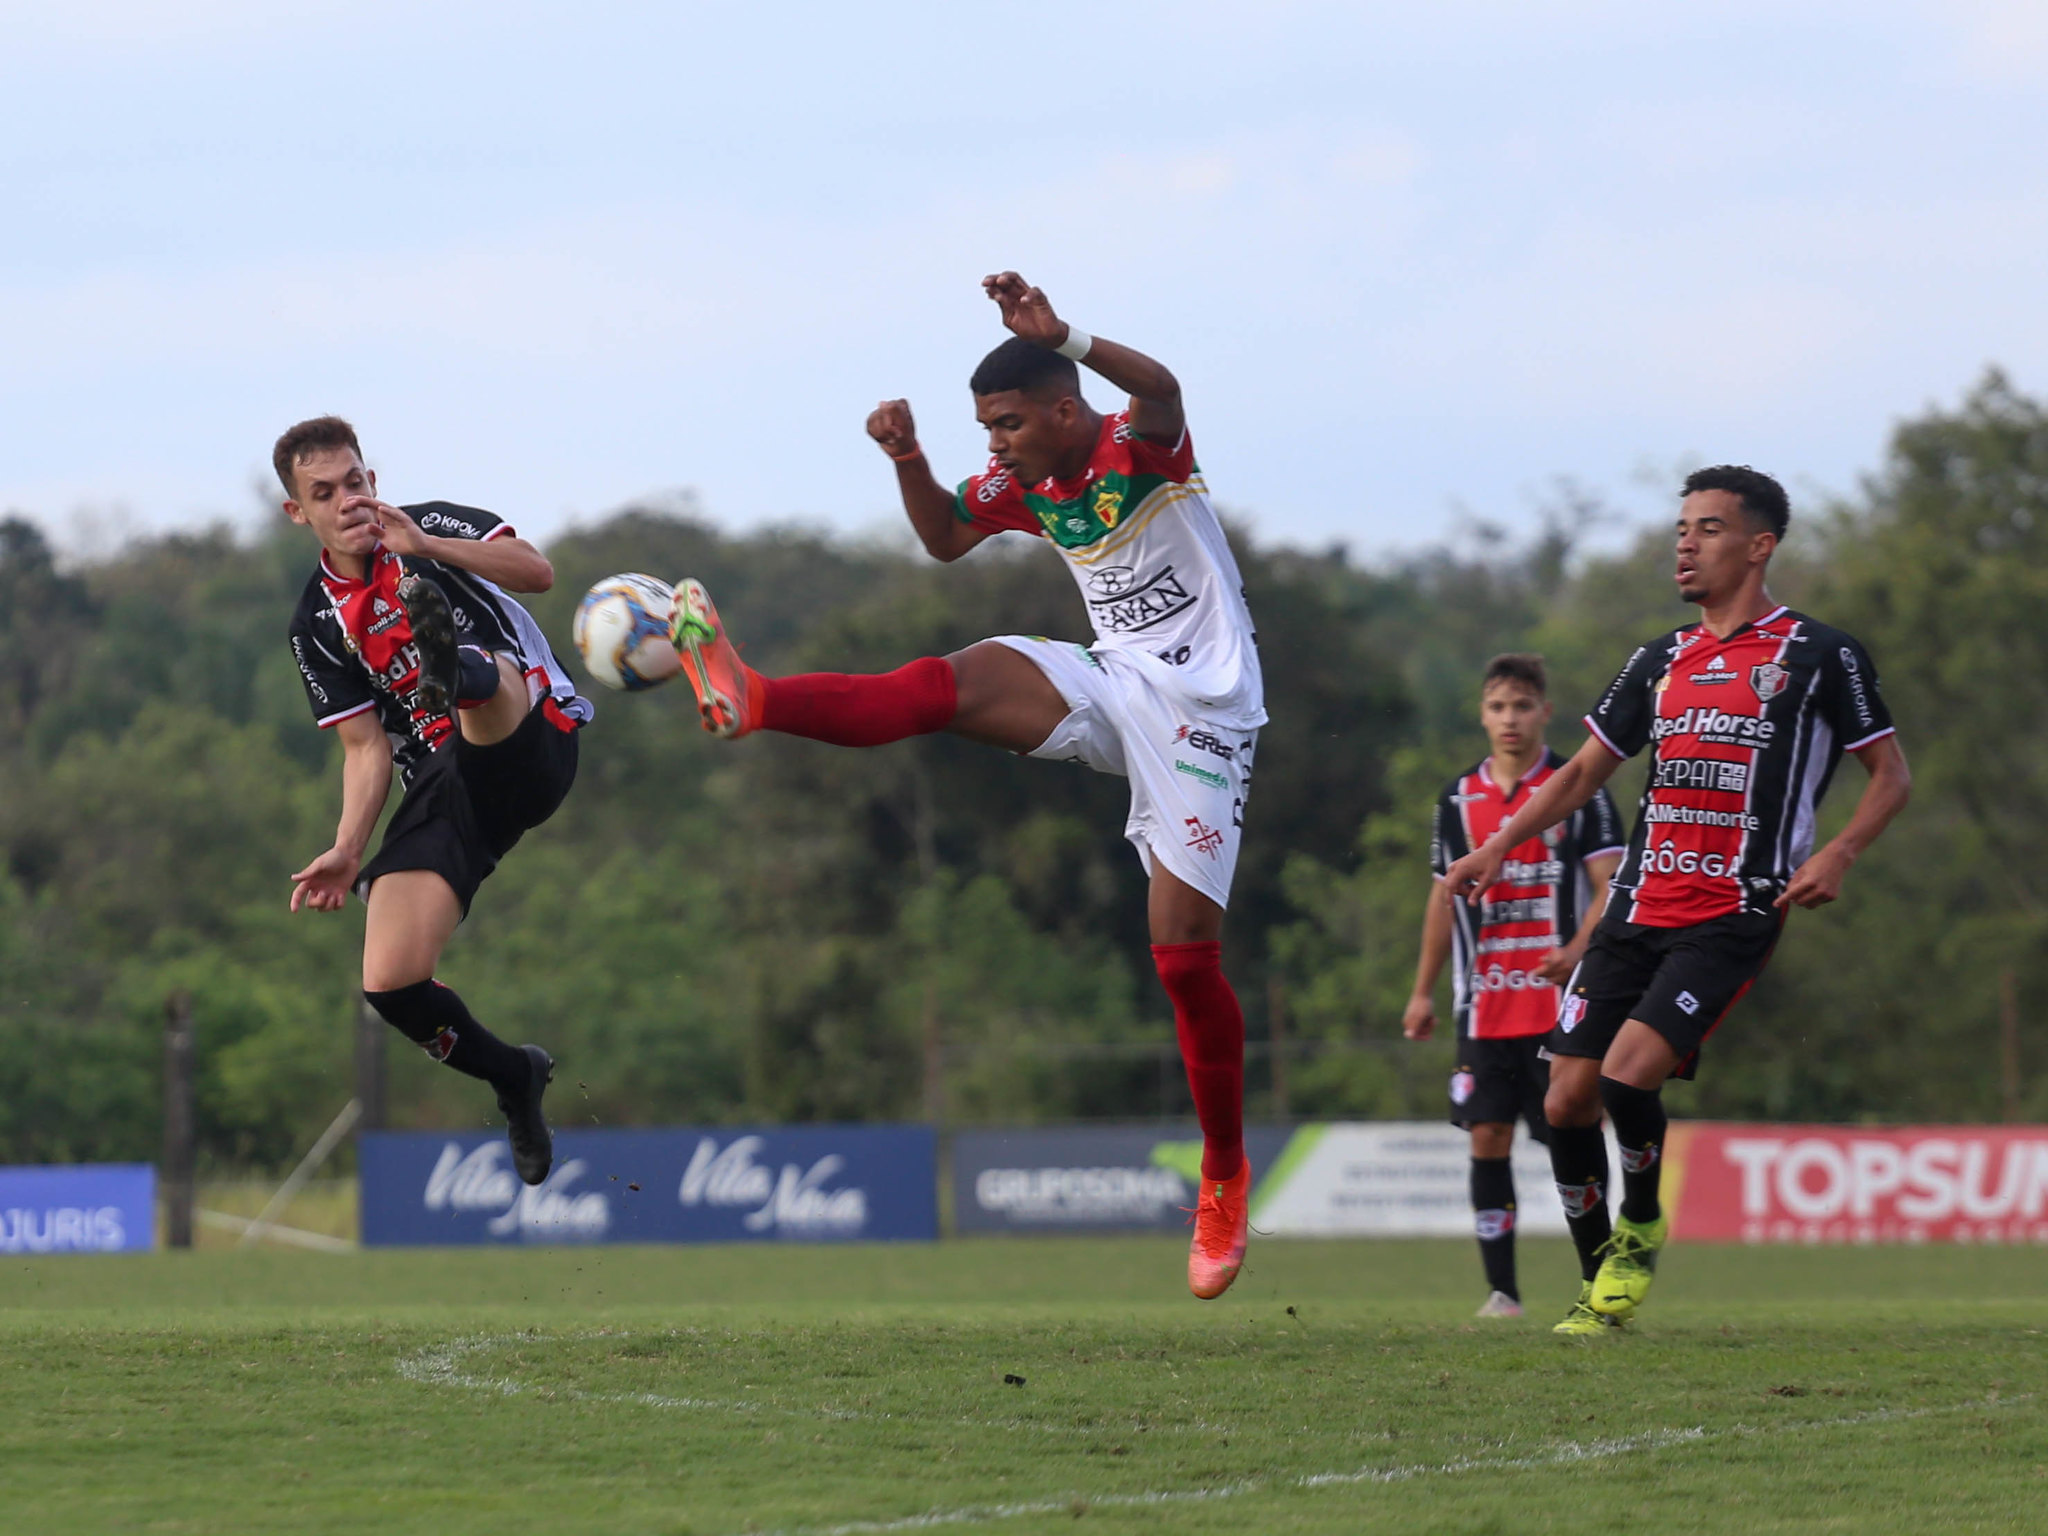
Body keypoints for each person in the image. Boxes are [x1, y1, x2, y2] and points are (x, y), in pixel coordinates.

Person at [662, 273, 1265, 1299]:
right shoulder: (1027, 482)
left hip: (1205, 716)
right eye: (983, 427)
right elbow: (944, 536)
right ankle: (752, 694)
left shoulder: (1137, 449)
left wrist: (1065, 333)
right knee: (949, 682)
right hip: (1114, 679)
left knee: (1179, 962)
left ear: (1066, 409)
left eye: (1007, 422)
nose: (994, 442)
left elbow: (1162, 385)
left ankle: (1220, 1175)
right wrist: (910, 459)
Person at [1443, 466, 1910, 1333]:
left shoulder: (1818, 654)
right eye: (1680, 529)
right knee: (1562, 1099)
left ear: (1759, 545)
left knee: (1626, 1078)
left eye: (1707, 528)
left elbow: (1890, 773)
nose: (1685, 545)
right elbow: (1584, 771)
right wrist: (1500, 843)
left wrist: (1841, 850)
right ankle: (1599, 1288)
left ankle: (1642, 1221)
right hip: (1634, 908)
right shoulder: (1660, 659)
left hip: (1732, 910)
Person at [278, 416, 592, 1186]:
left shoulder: (432, 524)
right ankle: (515, 1076)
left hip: (533, 732)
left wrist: (428, 548)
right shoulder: (315, 624)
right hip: (450, 789)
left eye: (355, 480)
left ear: (372, 479)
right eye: (325, 492)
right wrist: (349, 849)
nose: (347, 499)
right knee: (390, 981)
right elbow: (365, 749)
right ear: (299, 512)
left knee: (479, 681)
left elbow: (536, 571)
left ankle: (456, 670)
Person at [1404, 653, 1622, 1318]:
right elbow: (1443, 900)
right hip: (1483, 1004)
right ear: (1482, 714)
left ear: (1543, 713)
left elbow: (1610, 886)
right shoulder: (1457, 799)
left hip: (1558, 1003)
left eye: (1522, 706)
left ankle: (1601, 1279)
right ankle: (1503, 1293)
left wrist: (1581, 948)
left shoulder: (1577, 786)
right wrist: (1422, 991)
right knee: (1486, 1137)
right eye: (1498, 707)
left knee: (1572, 1134)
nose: (1509, 719)